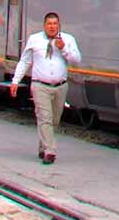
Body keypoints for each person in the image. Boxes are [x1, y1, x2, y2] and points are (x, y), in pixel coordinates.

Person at [9, 12, 81, 164]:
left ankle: (43, 146)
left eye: (55, 24)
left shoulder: (68, 39)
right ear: (44, 25)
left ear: (59, 25)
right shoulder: (34, 39)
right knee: (44, 118)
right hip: (40, 85)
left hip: (60, 86)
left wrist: (64, 49)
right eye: (49, 24)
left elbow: (77, 60)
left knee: (54, 120)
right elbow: (25, 61)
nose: (52, 27)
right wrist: (15, 80)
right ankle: (50, 151)